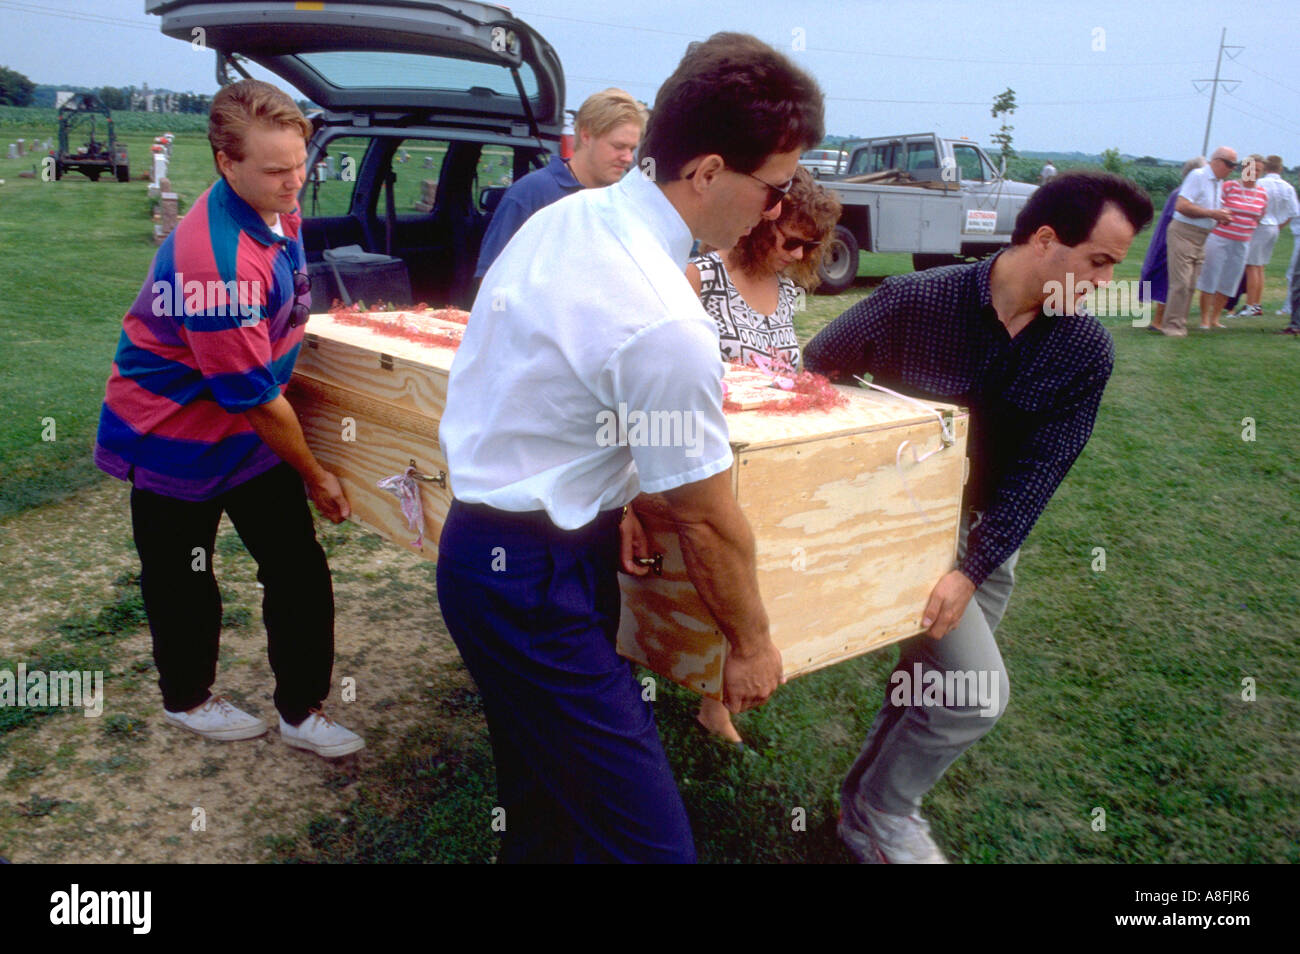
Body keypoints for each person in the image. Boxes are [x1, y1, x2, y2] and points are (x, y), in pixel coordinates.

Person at [436, 32, 824, 863]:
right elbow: (709, 520)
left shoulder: (570, 217)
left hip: (494, 552)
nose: (778, 212)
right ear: (710, 171)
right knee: (649, 847)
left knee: (544, 804)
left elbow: (556, 392)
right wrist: (752, 647)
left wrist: (617, 496)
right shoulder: (665, 320)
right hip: (532, 580)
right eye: (775, 188)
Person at [803, 171, 1153, 863]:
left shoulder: (1085, 347)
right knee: (974, 697)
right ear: (1046, 240)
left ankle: (863, 810)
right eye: (1100, 261)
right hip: (898, 526)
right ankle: (884, 812)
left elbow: (1039, 471)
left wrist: (971, 566)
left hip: (989, 538)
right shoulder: (914, 300)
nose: (1108, 279)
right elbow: (814, 373)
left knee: (933, 685)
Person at [93, 80, 363, 757]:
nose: (294, 181)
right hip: (170, 436)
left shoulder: (279, 206)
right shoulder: (215, 265)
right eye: (275, 170)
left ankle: (302, 712)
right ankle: (187, 698)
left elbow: (283, 316)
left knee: (296, 568)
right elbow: (254, 398)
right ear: (225, 163)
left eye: (300, 163)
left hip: (243, 428)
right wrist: (316, 473)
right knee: (183, 575)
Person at [685, 166, 841, 743]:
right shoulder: (700, 277)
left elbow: (787, 370)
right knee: (710, 566)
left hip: (769, 458)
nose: (797, 253)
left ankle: (716, 687)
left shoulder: (789, 293)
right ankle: (704, 690)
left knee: (755, 572)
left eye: (809, 245)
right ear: (758, 225)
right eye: (790, 239)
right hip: (705, 460)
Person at [473, 88, 647, 280]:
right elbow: (491, 281)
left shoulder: (621, 203)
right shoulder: (531, 194)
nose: (628, 158)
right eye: (619, 146)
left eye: (632, 149)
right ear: (586, 136)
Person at [1163, 146, 1236, 337]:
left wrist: (1220, 217)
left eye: (1234, 165)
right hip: (1184, 233)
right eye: (1229, 164)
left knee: (1191, 283)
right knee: (1181, 282)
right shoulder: (1198, 175)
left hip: (1202, 237)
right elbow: (1182, 205)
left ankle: (1180, 322)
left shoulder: (1218, 182)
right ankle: (1172, 326)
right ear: (1217, 161)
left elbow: (1207, 208)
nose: (1232, 169)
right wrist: (1214, 213)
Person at [1196, 157, 1267, 329]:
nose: (1253, 172)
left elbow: (1260, 216)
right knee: (1210, 276)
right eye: (1250, 168)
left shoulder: (1263, 194)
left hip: (1242, 242)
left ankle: (1216, 317)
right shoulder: (1229, 187)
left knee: (1230, 279)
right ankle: (1204, 318)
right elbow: (1216, 207)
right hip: (1220, 238)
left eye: (1257, 169)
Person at [1138, 157, 1206, 332]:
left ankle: (1163, 318)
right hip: (1171, 242)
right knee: (1167, 280)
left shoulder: (1185, 193)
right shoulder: (1181, 194)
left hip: (1175, 241)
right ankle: (1158, 320)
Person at [1234, 154, 1298, 317]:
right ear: (1281, 168)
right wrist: (1279, 226)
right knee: (1260, 267)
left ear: (1265, 167)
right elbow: (1293, 212)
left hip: (1260, 226)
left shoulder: (1260, 183)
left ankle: (1250, 305)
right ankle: (1256, 304)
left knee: (1252, 266)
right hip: (1273, 227)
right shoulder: (1288, 187)